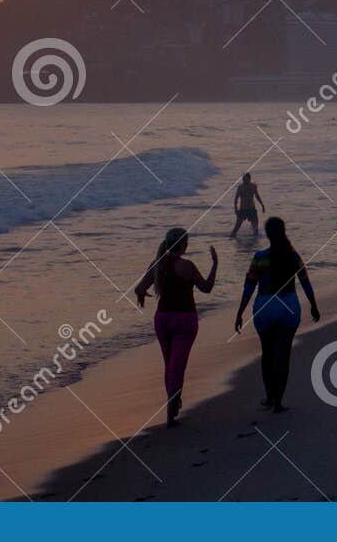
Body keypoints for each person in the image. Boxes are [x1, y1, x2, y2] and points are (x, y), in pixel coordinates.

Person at [234, 216, 320, 412]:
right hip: (288, 306)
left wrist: (240, 313)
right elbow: (305, 282)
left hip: (265, 306)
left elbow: (249, 287)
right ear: (283, 231)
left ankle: (269, 397)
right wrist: (314, 305)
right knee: (283, 356)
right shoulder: (293, 256)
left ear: (267, 234)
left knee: (267, 354)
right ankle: (279, 402)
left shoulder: (259, 257)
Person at [134, 228, 218, 426]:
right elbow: (206, 288)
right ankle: (171, 412)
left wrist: (141, 296)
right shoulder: (187, 266)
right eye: (186, 242)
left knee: (169, 365)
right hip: (185, 319)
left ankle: (174, 401)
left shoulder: (157, 264)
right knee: (178, 366)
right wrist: (215, 264)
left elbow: (139, 289)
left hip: (162, 319)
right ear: (182, 245)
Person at [230, 172, 265, 237]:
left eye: (245, 179)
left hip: (252, 209)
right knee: (235, 229)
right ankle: (232, 238)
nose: (244, 181)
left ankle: (254, 241)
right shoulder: (240, 187)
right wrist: (236, 209)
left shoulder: (253, 186)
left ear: (249, 179)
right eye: (243, 179)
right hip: (243, 209)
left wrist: (262, 205)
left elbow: (257, 196)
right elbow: (236, 199)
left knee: (256, 230)